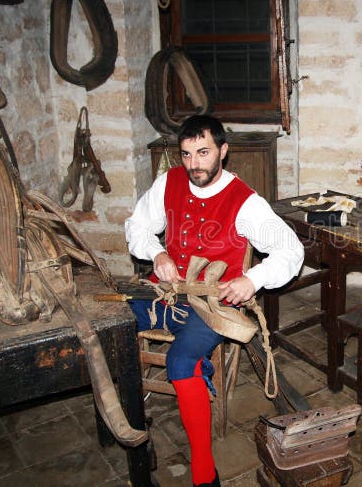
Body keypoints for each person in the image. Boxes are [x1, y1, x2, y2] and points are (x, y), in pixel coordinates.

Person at [125, 115, 304, 487]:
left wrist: (252, 279)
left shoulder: (245, 201)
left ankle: (204, 473)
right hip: (166, 291)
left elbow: (291, 251)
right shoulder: (168, 181)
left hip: (213, 304)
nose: (194, 164)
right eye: (187, 154)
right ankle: (131, 432)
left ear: (223, 150)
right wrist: (156, 254)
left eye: (203, 152)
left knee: (181, 361)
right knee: (108, 329)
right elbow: (137, 226)